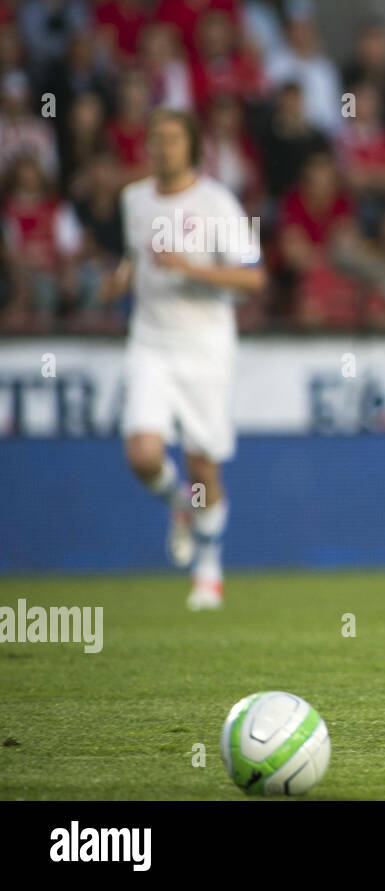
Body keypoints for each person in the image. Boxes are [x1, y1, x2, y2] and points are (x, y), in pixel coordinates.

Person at [100, 109, 265, 610]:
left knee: (202, 466)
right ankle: (181, 509)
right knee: (143, 454)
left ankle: (209, 567)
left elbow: (253, 277)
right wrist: (121, 279)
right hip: (150, 342)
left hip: (206, 346)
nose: (162, 148)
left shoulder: (216, 202)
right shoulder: (135, 200)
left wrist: (192, 269)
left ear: (192, 146)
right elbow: (134, 256)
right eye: (155, 140)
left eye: (172, 139)